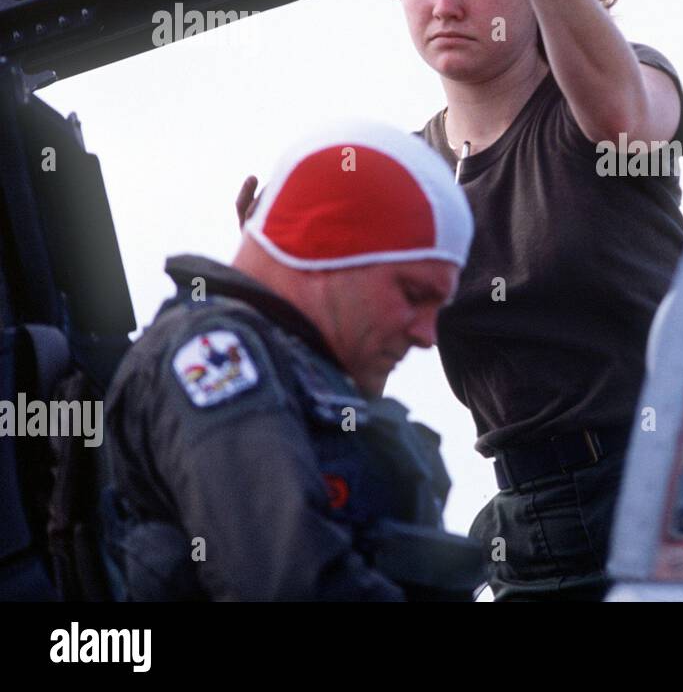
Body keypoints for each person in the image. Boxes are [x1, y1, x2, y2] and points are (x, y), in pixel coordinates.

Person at [397, 0, 683, 599]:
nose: (444, 6)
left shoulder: (630, 80)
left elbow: (624, 119)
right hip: (532, 524)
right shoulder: (407, 173)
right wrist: (288, 276)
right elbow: (361, 334)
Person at [106, 122, 481, 600]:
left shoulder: (292, 368)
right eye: (412, 294)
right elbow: (289, 584)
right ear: (329, 248)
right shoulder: (214, 355)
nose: (427, 335)